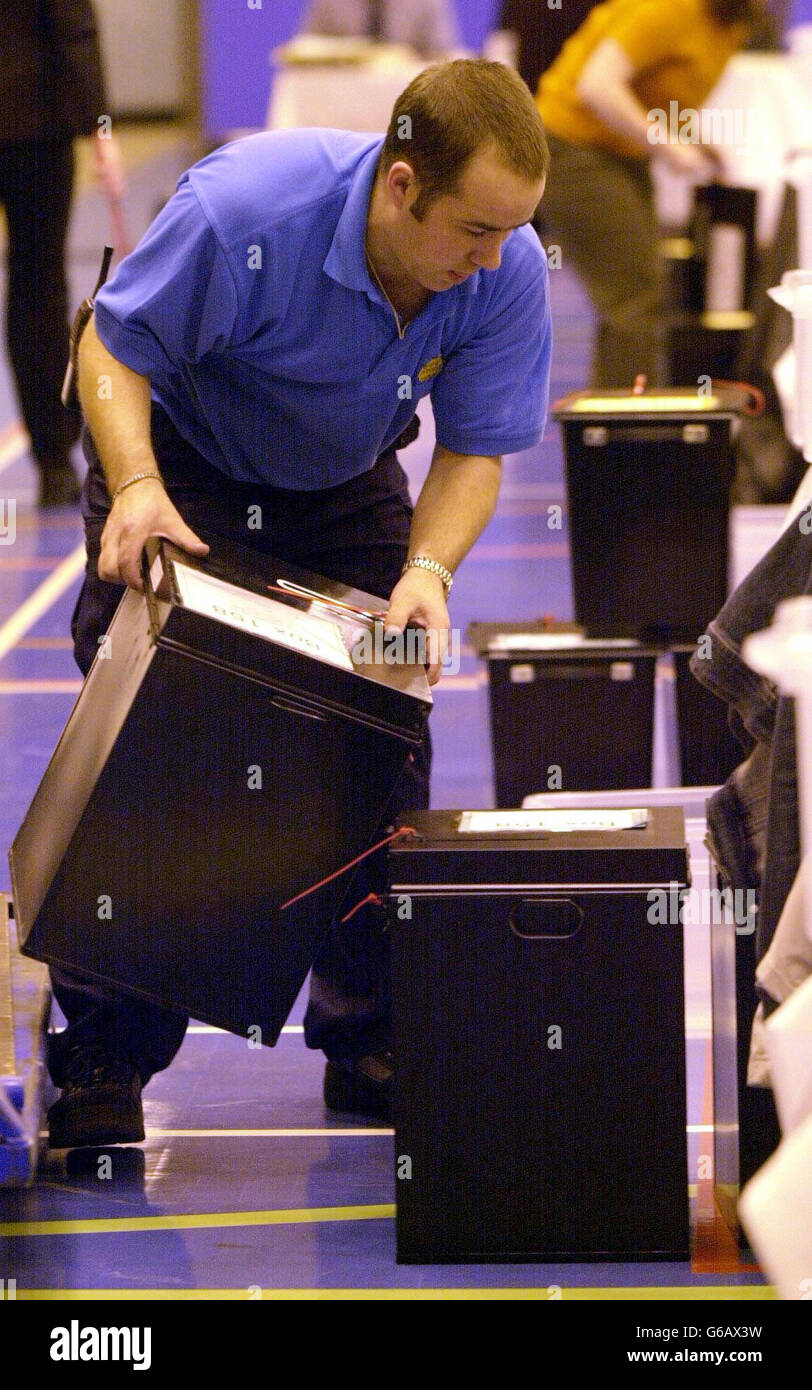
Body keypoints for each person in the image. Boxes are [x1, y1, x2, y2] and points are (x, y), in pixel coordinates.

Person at [46, 58, 552, 1148]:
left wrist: (428, 573)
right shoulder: (243, 212)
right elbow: (111, 345)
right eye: (474, 229)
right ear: (401, 185)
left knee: (378, 735)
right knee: (151, 742)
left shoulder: (498, 272)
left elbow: (470, 450)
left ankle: (370, 1031)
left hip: (341, 477)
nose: (495, 259)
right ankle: (101, 1052)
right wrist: (133, 486)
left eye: (513, 231)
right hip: (179, 459)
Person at [535, 0, 761, 388]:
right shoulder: (667, 7)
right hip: (573, 148)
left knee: (637, 298)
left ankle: (620, 419)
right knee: (634, 300)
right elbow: (597, 86)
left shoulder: (732, 21)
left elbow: (658, 90)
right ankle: (632, 432)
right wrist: (668, 145)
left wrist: (693, 140)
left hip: (623, 154)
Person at [0, 0, 123, 506]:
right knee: (38, 283)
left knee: (37, 284)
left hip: (33, 122)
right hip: (33, 123)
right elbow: (76, 29)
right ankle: (54, 463)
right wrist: (101, 124)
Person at [300, 0, 459, 58]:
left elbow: (441, 56)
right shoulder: (329, 3)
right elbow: (308, 48)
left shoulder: (426, 2)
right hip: (338, 96)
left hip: (407, 97)